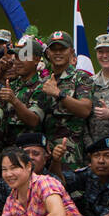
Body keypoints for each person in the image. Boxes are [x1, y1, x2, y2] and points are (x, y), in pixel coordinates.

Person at [40, 31, 95, 166]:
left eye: (62, 49)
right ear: (47, 53)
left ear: (71, 51)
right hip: (46, 153)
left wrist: (59, 94)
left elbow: (85, 110)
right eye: (54, 49)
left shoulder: (81, 78)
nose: (58, 53)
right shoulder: (43, 82)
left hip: (71, 154)